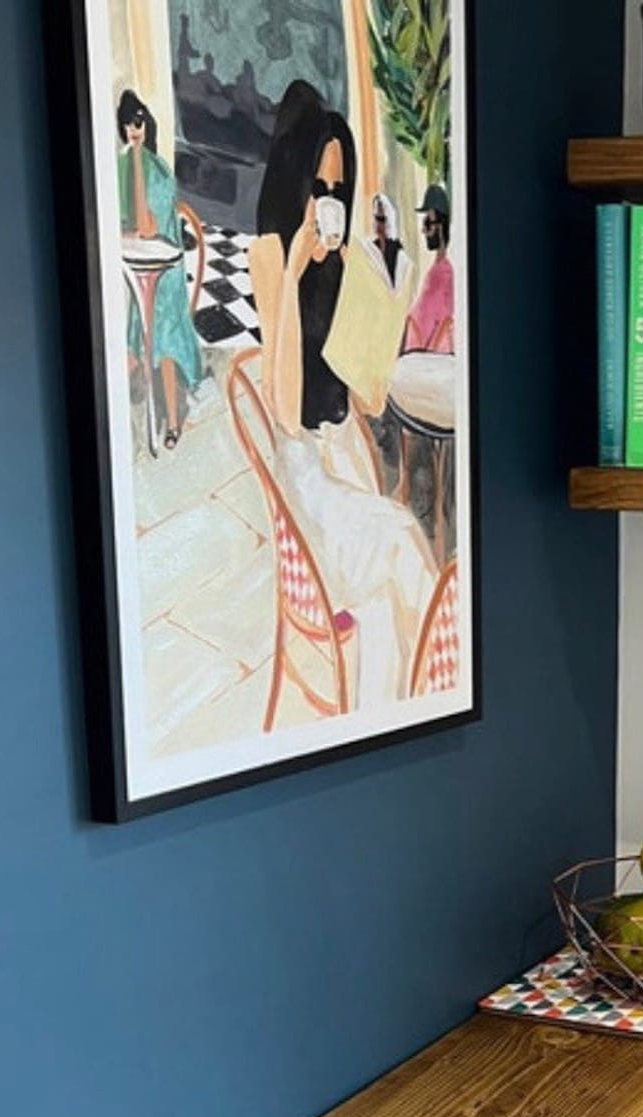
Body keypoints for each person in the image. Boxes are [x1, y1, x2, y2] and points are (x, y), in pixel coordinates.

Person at [249, 81, 436, 709]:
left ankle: (399, 711)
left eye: (337, 192)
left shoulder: (343, 263)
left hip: (345, 459)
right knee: (403, 538)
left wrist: (384, 306)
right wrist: (300, 265)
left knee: (389, 603)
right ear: (294, 185)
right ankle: (429, 697)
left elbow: (371, 399)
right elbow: (284, 409)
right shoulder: (269, 254)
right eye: (318, 190)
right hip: (307, 479)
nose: (327, 204)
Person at [116, 90, 203, 449]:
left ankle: (170, 422)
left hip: (165, 273)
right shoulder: (122, 166)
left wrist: (136, 155)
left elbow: (148, 226)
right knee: (132, 341)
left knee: (162, 342)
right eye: (128, 123)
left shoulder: (153, 168)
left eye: (139, 121)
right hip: (141, 264)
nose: (133, 129)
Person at [402, 185, 455, 355]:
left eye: (427, 222)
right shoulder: (436, 270)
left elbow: (444, 327)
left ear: (440, 226)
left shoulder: (445, 274)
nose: (424, 230)